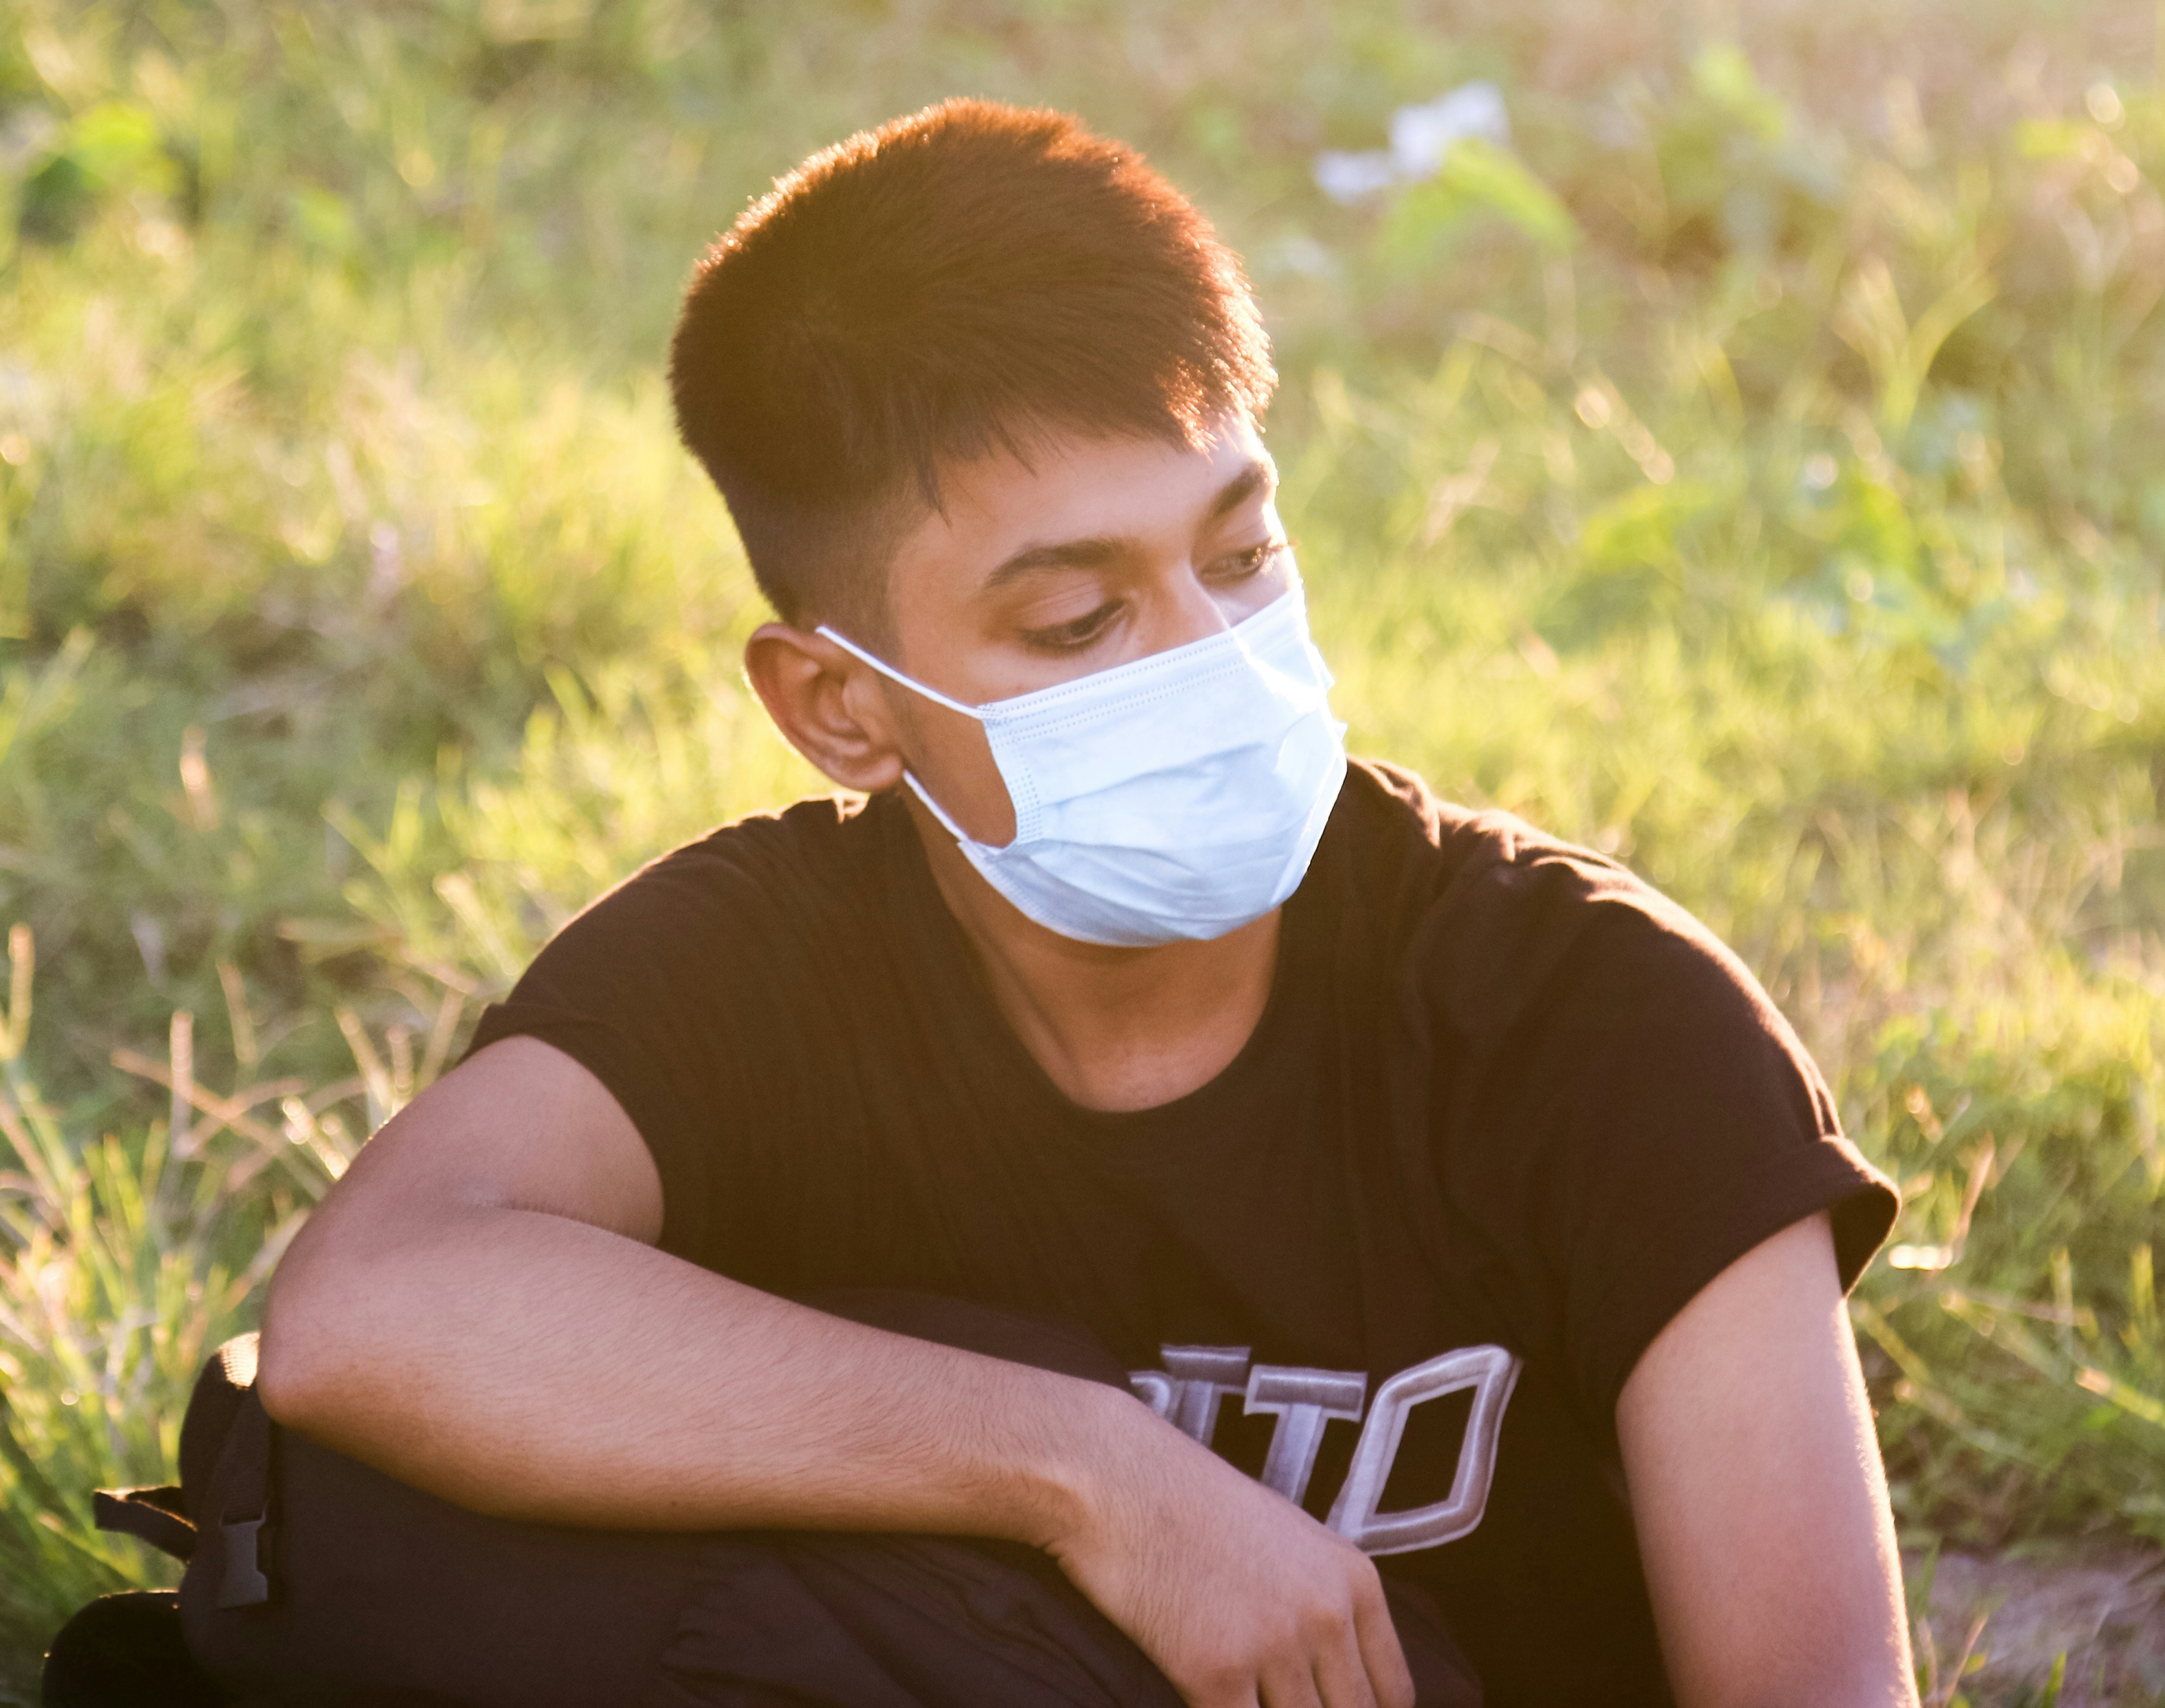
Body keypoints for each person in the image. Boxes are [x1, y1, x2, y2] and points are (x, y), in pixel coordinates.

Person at [256, 100, 1916, 1708]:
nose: (1207, 657)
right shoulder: (761, 971)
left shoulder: (1590, 1019)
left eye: (1241, 555)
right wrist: (1087, 1470)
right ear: (843, 707)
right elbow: (371, 1311)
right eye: (1075, 623)